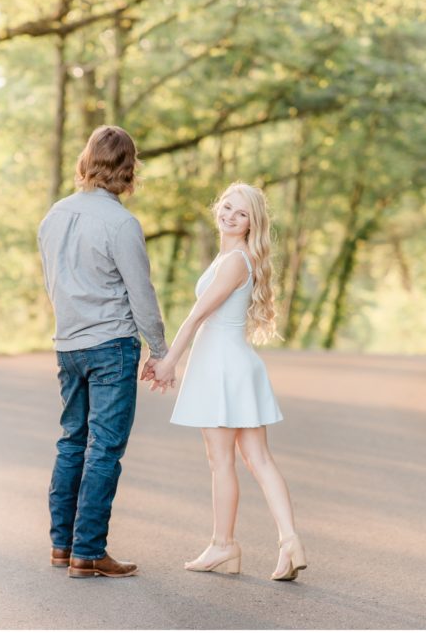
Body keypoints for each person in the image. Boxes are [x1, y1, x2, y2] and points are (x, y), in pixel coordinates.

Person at [147, 182, 309, 581]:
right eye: (227, 207)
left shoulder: (235, 261)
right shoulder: (232, 258)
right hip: (232, 364)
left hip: (222, 367)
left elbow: (196, 317)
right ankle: (288, 542)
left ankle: (224, 545)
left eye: (242, 213)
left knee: (222, 461)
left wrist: (169, 362)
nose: (230, 216)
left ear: (252, 223)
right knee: (258, 459)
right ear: (217, 207)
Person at [37, 125, 171, 579]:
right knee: (104, 449)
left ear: (86, 160)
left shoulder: (53, 216)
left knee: (72, 441)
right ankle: (89, 551)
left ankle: (62, 546)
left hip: (68, 344)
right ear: (128, 170)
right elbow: (141, 293)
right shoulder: (121, 223)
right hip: (110, 344)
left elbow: (52, 283)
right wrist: (159, 349)